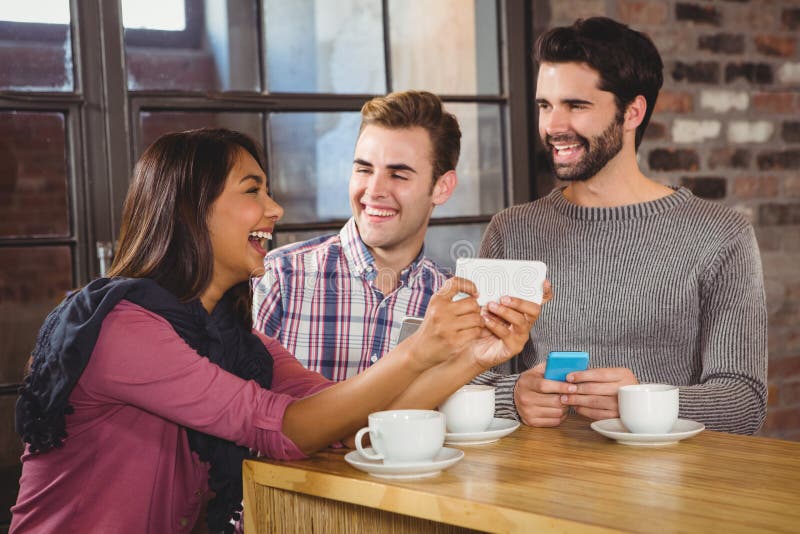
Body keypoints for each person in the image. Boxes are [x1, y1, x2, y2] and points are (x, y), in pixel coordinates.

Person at [10, 128, 547, 533]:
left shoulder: (234, 342)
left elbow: (349, 419)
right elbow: (284, 429)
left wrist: (474, 358)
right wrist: (419, 351)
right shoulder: (125, 331)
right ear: (192, 211)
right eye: (253, 191)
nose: (275, 208)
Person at [472, 17, 767, 435]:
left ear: (632, 112)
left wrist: (643, 402)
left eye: (576, 106)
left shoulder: (722, 235)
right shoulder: (511, 231)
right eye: (545, 105)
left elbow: (744, 402)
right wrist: (513, 396)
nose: (553, 126)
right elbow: (467, 377)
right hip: (536, 488)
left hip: (670, 489)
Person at [252, 90, 460, 380]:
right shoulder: (279, 278)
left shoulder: (453, 305)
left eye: (398, 175)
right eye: (364, 169)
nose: (374, 191)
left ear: (442, 187)